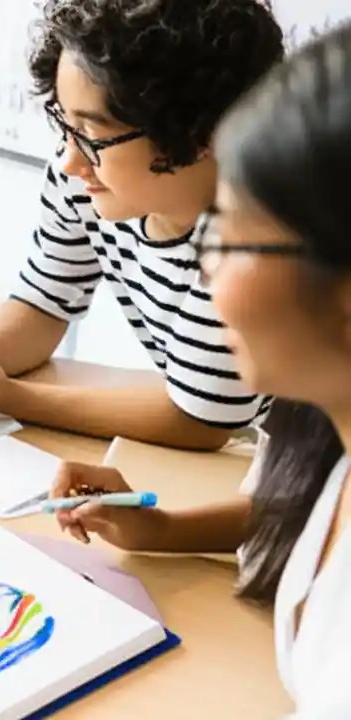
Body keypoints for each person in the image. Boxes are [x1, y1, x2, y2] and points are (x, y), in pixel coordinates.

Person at [48, 25, 351, 717]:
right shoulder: (323, 430)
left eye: (234, 235)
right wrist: (164, 529)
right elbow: (292, 507)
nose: (208, 270)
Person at [0, 0, 283, 450]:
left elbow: (201, 420)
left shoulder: (254, 235)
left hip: (296, 458)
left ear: (202, 135)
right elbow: (45, 301)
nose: (69, 160)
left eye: (93, 135)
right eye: (65, 125)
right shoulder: (85, 180)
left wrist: (13, 398)